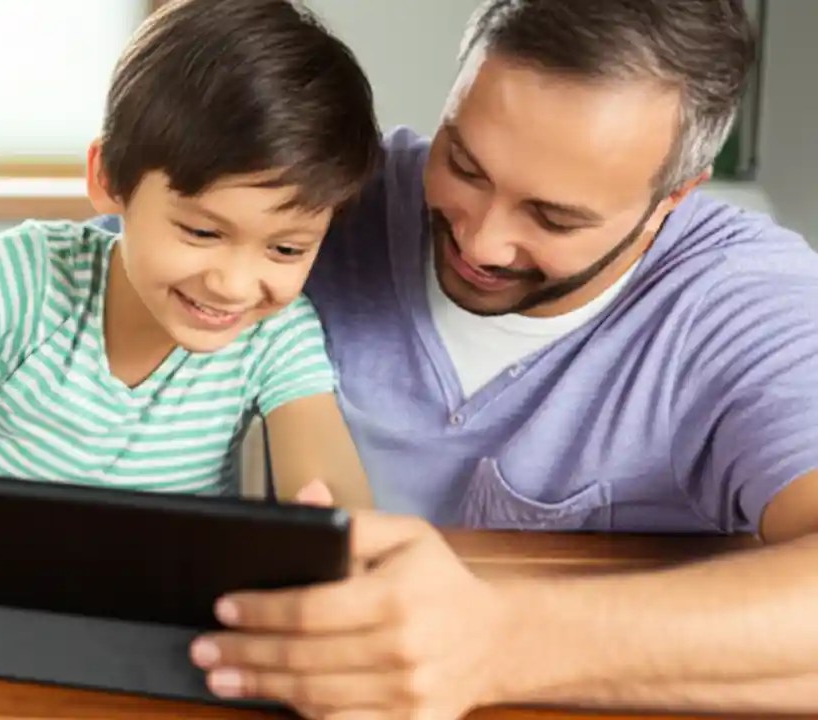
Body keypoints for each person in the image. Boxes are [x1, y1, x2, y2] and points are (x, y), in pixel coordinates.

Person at [183, 0, 818, 717]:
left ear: (672, 200)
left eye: (553, 217)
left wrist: (499, 644)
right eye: (464, 163)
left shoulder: (748, 304)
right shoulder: (324, 200)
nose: (481, 243)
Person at [0, 0, 381, 544]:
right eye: (202, 233)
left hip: (155, 619)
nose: (232, 283)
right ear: (109, 179)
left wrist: (334, 537)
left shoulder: (277, 334)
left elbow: (334, 506)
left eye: (285, 250)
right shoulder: (36, 274)